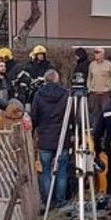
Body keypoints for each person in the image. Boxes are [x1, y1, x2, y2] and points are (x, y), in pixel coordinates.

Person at [30, 69, 70, 208]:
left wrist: (32, 133)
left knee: (45, 170)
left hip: (45, 138)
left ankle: (48, 200)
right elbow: (71, 115)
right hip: (62, 137)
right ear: (57, 79)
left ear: (45, 80)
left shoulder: (38, 95)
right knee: (62, 170)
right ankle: (60, 200)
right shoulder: (66, 95)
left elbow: (34, 116)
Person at [87, 47, 111, 121]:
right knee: (95, 113)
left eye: (98, 52)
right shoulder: (92, 65)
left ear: (103, 54)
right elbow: (89, 78)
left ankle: (105, 130)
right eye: (95, 52)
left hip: (105, 94)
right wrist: (90, 88)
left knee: (106, 112)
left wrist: (110, 88)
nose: (96, 54)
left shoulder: (109, 64)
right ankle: (95, 130)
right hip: (94, 93)